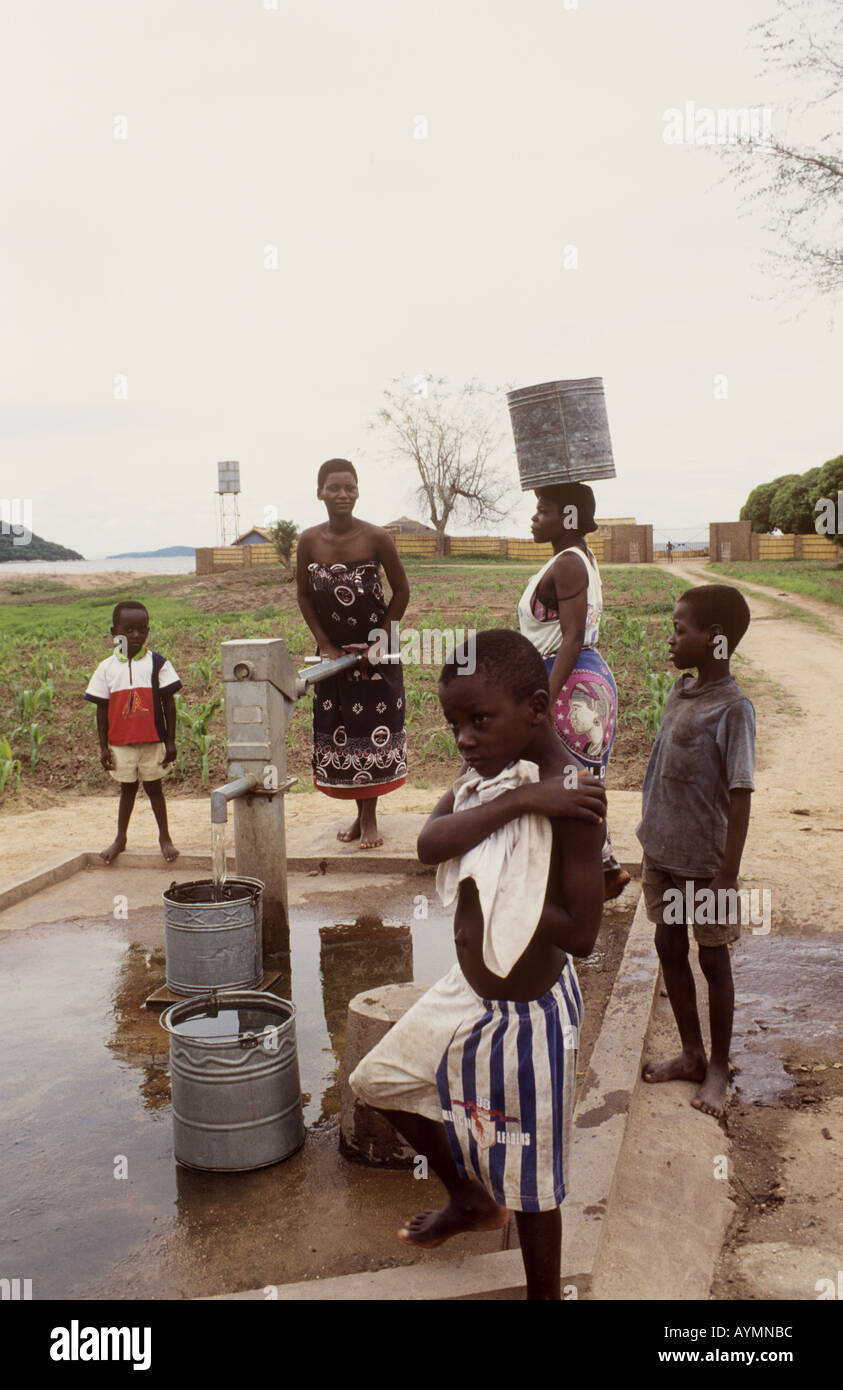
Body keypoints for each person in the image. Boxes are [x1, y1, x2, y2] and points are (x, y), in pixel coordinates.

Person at [350, 630, 606, 1300]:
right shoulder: (493, 782)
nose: (463, 737)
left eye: (479, 720)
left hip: (529, 1016)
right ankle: (468, 1197)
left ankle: (544, 1295)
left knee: (531, 1179)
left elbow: (581, 932)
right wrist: (516, 802)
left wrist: (505, 892)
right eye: (453, 723)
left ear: (533, 706)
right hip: (469, 989)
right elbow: (431, 843)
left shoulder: (574, 798)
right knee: (381, 1080)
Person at [637, 584, 754, 1119]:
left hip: (706, 866)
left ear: (715, 640)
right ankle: (690, 1051)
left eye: (680, 630)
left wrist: (727, 875)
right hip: (661, 852)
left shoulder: (733, 709)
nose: (671, 638)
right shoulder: (680, 692)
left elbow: (740, 793)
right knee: (668, 946)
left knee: (712, 958)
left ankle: (718, 1068)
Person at [518, 481, 629, 899]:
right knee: (578, 781)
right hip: (583, 678)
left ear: (567, 517)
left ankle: (579, 886)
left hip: (567, 684)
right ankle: (600, 870)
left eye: (542, 509)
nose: (534, 518)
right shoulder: (580, 557)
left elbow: (570, 635)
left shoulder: (567, 563)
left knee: (568, 783)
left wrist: (543, 701)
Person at [296, 459, 409, 849]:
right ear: (320, 493)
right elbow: (304, 596)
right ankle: (360, 819)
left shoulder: (377, 537)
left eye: (349, 487)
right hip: (333, 656)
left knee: (371, 733)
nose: (342, 495)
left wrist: (380, 641)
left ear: (358, 491)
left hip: (376, 655)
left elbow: (402, 592)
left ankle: (370, 820)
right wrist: (326, 645)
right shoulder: (309, 540)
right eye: (334, 488)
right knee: (343, 730)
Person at [85, 600, 182, 863]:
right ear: (115, 632)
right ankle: (120, 838)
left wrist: (170, 741)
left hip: (152, 740)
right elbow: (101, 711)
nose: (136, 635)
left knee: (155, 789)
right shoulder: (106, 668)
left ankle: (164, 837)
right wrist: (103, 747)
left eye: (142, 629)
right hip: (120, 743)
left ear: (148, 631)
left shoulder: (157, 664)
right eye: (128, 630)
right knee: (126, 791)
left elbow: (169, 704)